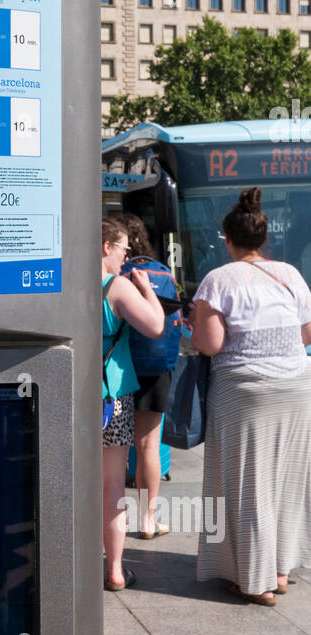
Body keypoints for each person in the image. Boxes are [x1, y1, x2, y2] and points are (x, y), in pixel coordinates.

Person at [191, 187, 311, 606]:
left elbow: (209, 344)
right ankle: (280, 570)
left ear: (228, 240)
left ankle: (255, 580)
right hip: (297, 386)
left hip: (246, 390)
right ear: (264, 239)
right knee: (288, 480)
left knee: (247, 483)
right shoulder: (291, 274)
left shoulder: (217, 280)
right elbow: (307, 333)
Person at [102, 217, 164, 591]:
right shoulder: (117, 287)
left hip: (69, 392)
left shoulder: (63, 281)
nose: (126, 258)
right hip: (113, 396)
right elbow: (156, 325)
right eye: (124, 249)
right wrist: (146, 289)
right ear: (106, 246)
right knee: (112, 486)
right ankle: (115, 571)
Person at [117, 214, 182, 538]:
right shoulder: (164, 274)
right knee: (149, 446)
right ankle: (147, 520)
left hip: (120, 367)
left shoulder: (118, 274)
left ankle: (109, 521)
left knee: (110, 448)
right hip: (157, 369)